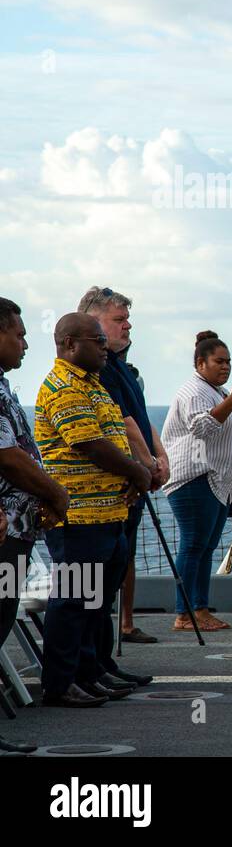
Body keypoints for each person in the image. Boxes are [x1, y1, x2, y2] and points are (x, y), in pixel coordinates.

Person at [35, 313, 154, 708]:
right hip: (78, 518)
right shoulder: (65, 387)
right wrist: (137, 471)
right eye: (96, 340)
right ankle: (60, 682)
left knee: (95, 601)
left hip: (108, 515)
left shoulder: (96, 386)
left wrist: (131, 480)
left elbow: (113, 439)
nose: (105, 346)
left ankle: (92, 669)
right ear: (70, 344)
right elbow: (91, 444)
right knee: (72, 601)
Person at [77, 286, 169, 645]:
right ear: (92, 323)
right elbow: (122, 424)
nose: (127, 326)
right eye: (119, 320)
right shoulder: (99, 375)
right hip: (106, 490)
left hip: (131, 483)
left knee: (117, 564)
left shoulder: (120, 369)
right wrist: (147, 466)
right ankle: (82, 669)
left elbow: (139, 418)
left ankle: (99, 661)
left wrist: (158, 461)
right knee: (90, 587)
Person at [0, 299, 70, 747]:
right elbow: (7, 458)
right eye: (18, 334)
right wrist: (54, 491)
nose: (25, 343)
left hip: (18, 527)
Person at [160, 331, 232, 632]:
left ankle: (198, 608)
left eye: (228, 361)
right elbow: (202, 427)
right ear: (200, 362)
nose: (225, 367)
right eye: (219, 361)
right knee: (193, 545)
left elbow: (229, 435)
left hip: (216, 478)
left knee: (205, 547)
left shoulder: (218, 392)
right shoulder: (194, 391)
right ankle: (185, 612)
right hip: (194, 477)